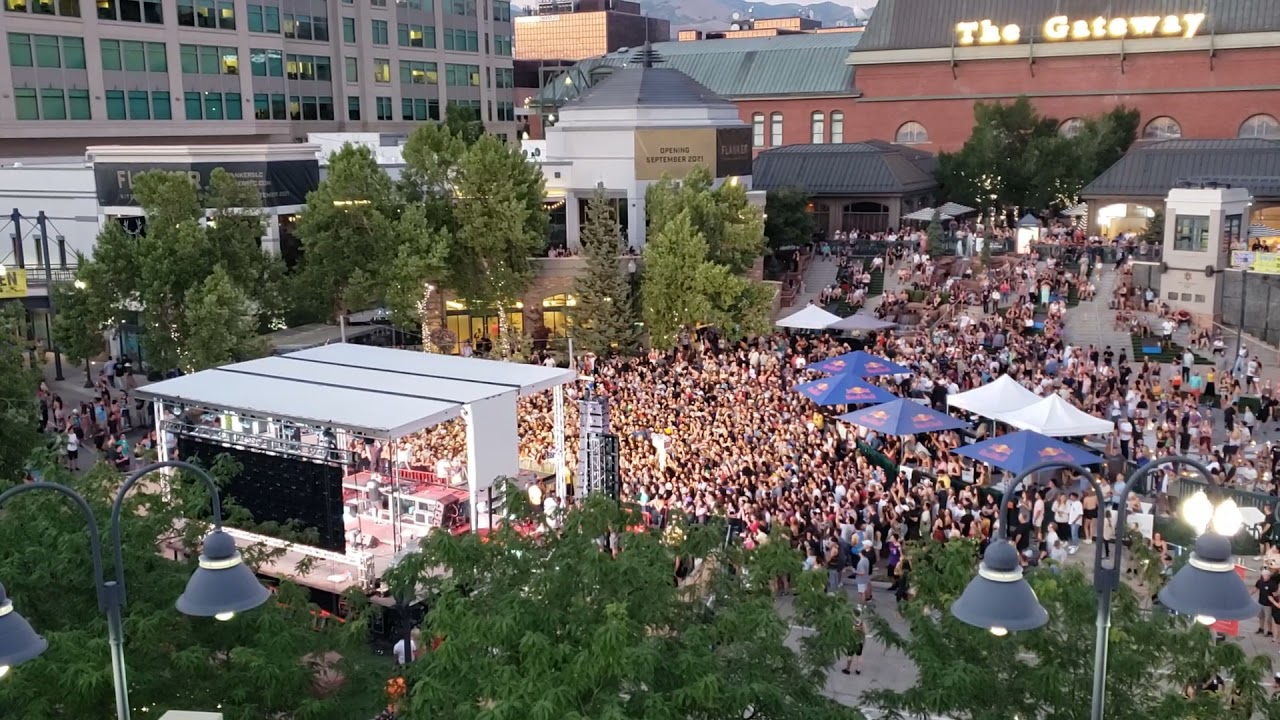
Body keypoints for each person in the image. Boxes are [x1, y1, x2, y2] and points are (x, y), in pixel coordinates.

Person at [840, 608, 866, 676]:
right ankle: (858, 670)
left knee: (850, 656)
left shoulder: (851, 622)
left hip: (852, 642)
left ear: (853, 614)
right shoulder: (861, 622)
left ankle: (848, 669)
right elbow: (865, 632)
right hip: (859, 642)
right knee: (859, 656)